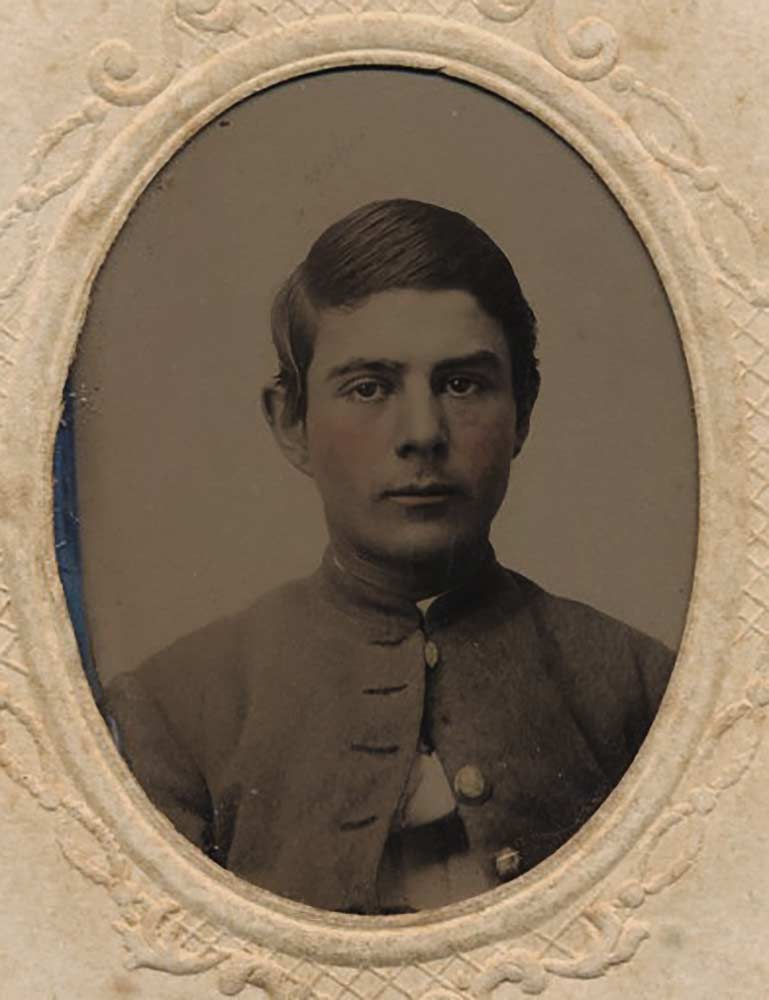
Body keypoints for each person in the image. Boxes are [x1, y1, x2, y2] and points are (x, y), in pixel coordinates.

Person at [105, 199, 674, 914]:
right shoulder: (173, 712)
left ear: (522, 411)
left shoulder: (642, 690)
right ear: (291, 422)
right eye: (368, 388)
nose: (421, 433)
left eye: (462, 384)